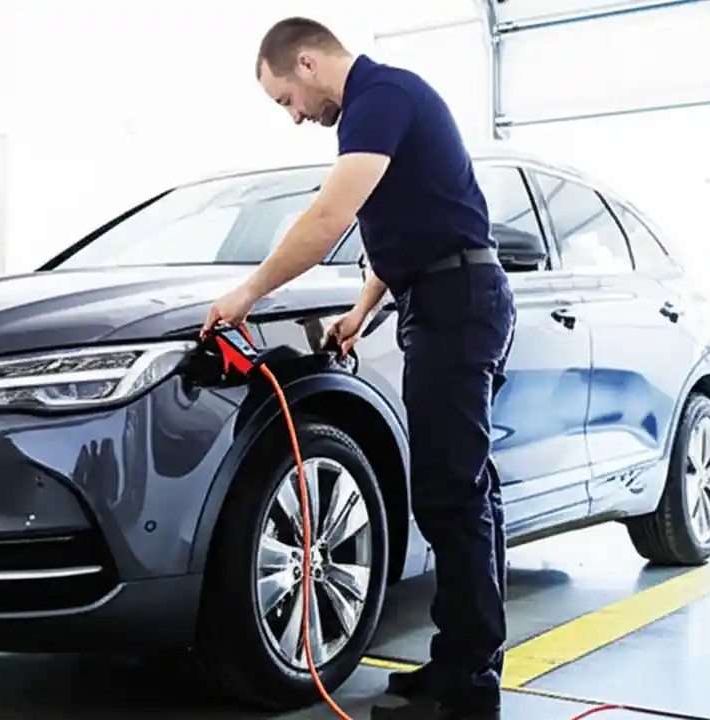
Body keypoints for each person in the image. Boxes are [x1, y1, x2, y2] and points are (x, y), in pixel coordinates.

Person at [201, 16, 517, 720]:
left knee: (449, 492)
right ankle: (460, 664)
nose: (292, 117)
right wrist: (363, 308)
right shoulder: (378, 105)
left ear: (308, 64)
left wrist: (248, 292)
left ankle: (468, 684)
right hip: (439, 297)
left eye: (285, 99)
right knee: (464, 488)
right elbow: (405, 222)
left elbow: (329, 218)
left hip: (456, 302)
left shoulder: (383, 96)